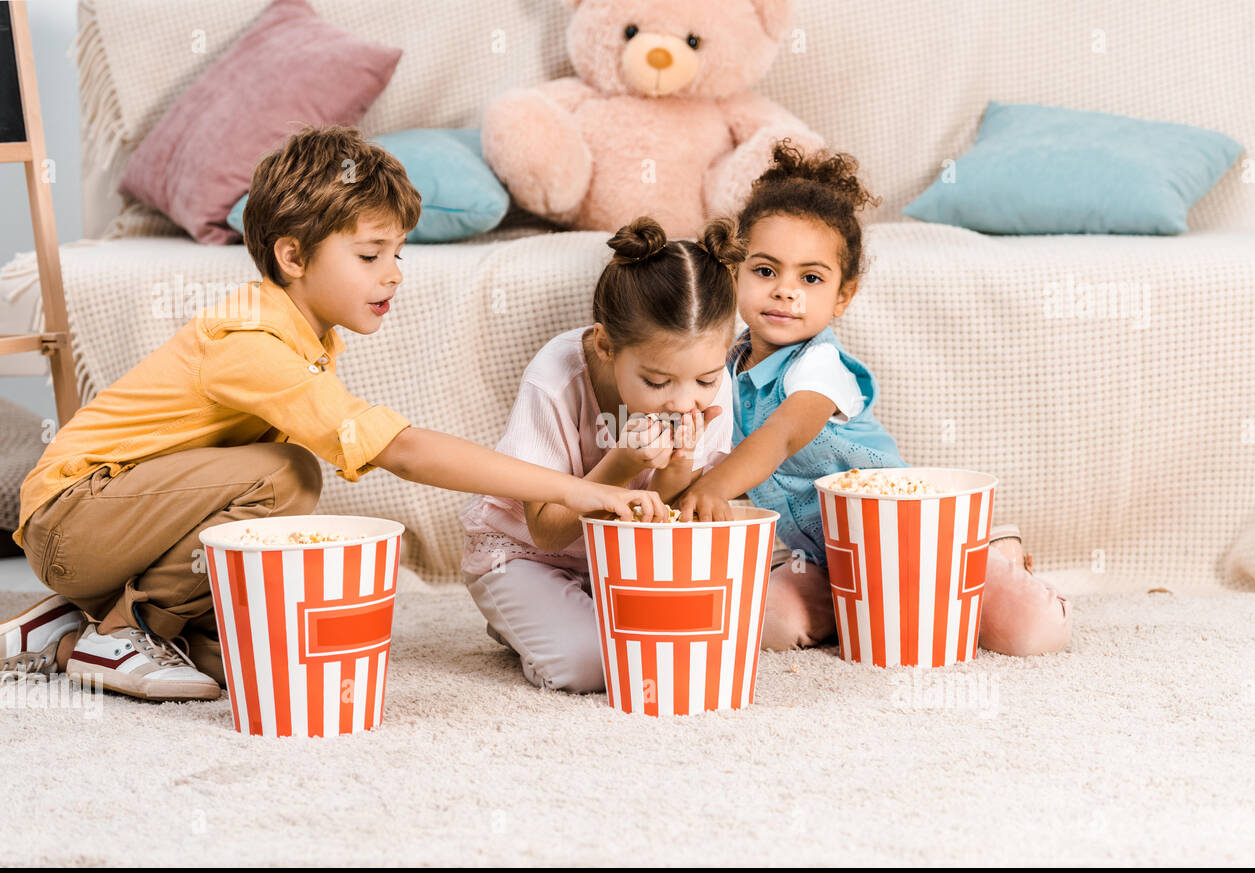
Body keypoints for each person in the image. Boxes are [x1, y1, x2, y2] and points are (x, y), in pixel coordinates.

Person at [0, 125, 667, 700]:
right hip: (73, 515)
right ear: (292, 255)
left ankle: (71, 629)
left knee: (252, 663)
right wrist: (575, 489)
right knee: (286, 475)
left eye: (398, 253)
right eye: (371, 254)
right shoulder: (252, 341)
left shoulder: (309, 337)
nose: (395, 273)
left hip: (112, 526)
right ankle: (124, 629)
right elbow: (400, 449)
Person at [675, 143, 1071, 655]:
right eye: (766, 271)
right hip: (820, 560)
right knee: (768, 623)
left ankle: (989, 553)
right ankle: (860, 605)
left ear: (843, 295)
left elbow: (783, 434)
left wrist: (712, 489)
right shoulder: (722, 372)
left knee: (1027, 633)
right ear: (733, 274)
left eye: (810, 278)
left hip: (909, 541)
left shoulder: (820, 366)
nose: (785, 291)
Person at [461, 216, 743, 691]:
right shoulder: (556, 375)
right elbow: (546, 531)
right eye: (657, 381)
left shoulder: (708, 386)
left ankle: (555, 619)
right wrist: (623, 463)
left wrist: (678, 467)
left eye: (705, 380)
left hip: (619, 561)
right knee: (592, 665)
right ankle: (525, 616)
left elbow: (669, 514)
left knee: (692, 645)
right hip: (529, 556)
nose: (683, 401)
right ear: (607, 344)